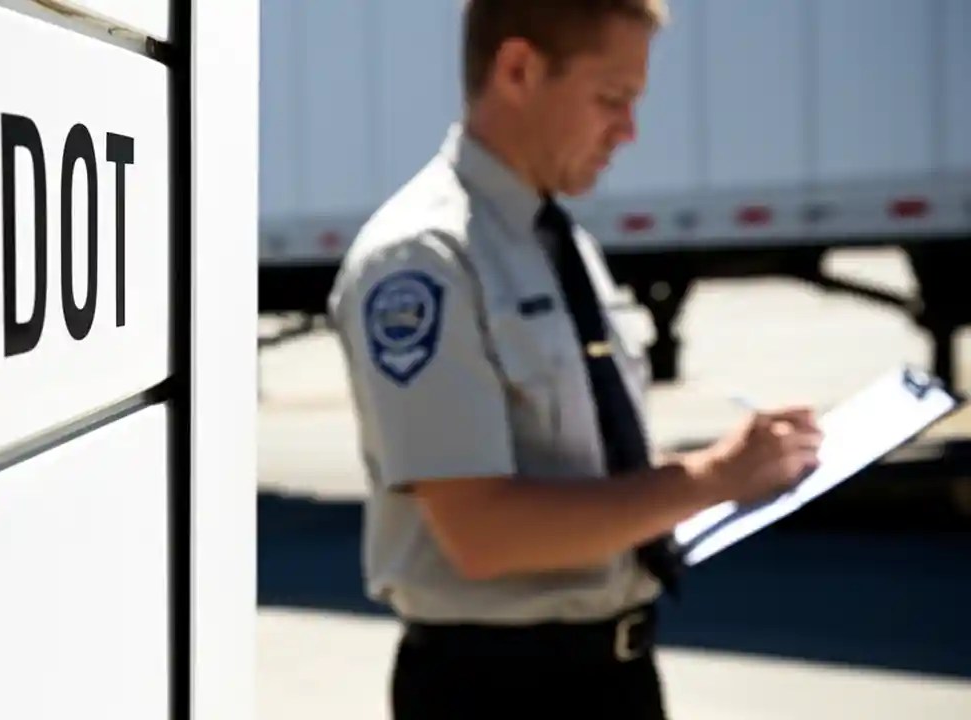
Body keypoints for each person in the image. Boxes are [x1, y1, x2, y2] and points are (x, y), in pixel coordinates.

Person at [325, 1, 824, 717]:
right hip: (500, 691)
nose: (629, 131)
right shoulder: (424, 260)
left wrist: (738, 476)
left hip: (611, 672)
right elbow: (483, 533)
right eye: (611, 99)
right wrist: (713, 475)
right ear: (519, 70)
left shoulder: (556, 240)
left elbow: (594, 467)